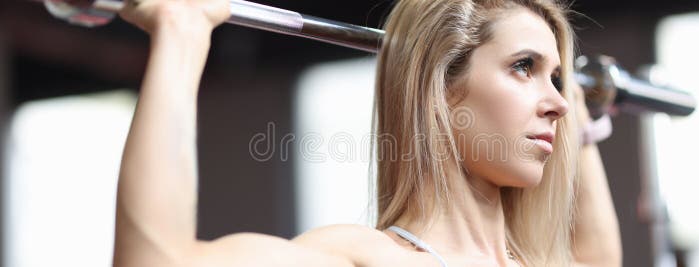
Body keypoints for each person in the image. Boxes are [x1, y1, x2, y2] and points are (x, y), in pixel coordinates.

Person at [113, 0, 622, 266]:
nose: (556, 103)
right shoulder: (361, 258)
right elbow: (157, 261)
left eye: (556, 79)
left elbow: (599, 260)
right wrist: (181, 30)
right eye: (523, 67)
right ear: (440, 93)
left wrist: (581, 120)